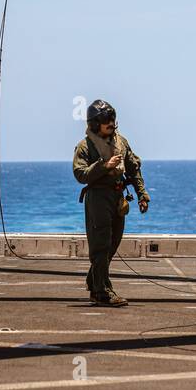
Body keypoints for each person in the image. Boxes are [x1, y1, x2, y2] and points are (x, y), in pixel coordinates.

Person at [72, 99, 149, 307]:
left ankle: (94, 280)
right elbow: (80, 174)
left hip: (117, 197)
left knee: (113, 243)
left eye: (113, 119)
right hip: (98, 198)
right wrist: (104, 166)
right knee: (101, 245)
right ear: (95, 123)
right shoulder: (85, 147)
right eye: (107, 121)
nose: (112, 123)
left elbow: (133, 168)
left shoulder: (121, 142)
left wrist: (142, 194)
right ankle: (102, 292)